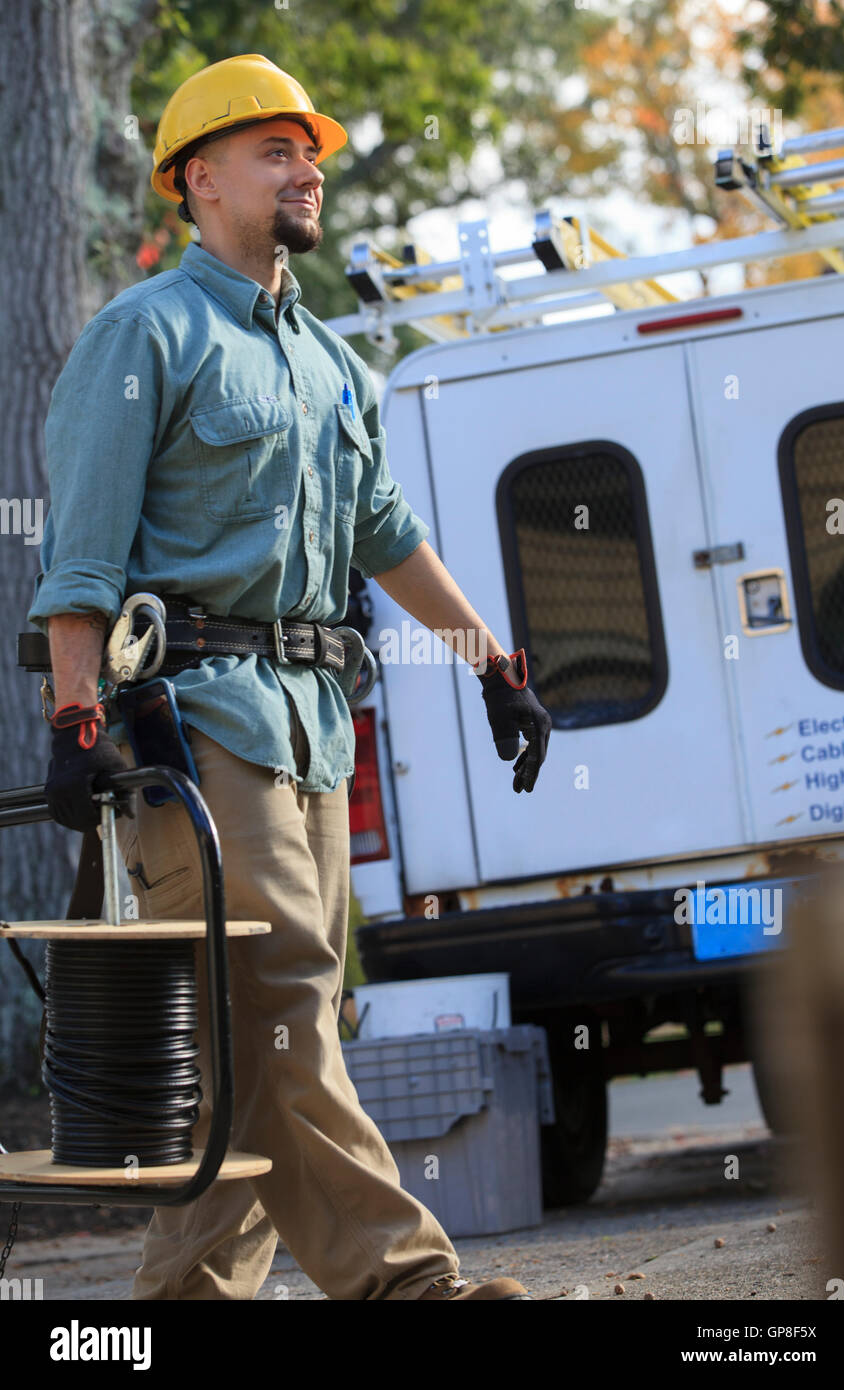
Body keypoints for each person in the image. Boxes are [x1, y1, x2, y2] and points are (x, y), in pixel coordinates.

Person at [28, 54, 552, 1301]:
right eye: (275, 151)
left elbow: (384, 528)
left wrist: (493, 663)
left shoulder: (324, 360)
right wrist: (76, 713)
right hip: (190, 721)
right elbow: (81, 558)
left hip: (314, 726)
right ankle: (410, 1287)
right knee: (282, 1011)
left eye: (309, 151)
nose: (306, 169)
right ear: (199, 182)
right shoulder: (143, 335)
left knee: (251, 1040)